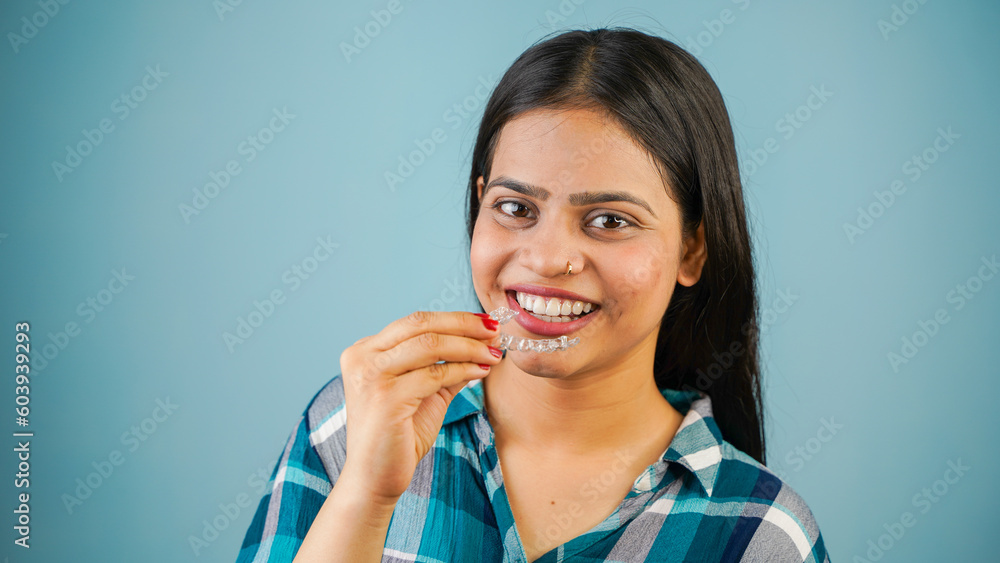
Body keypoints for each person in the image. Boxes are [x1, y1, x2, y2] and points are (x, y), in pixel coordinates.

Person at [237, 27, 829, 562]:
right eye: (516, 209)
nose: (546, 259)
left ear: (692, 250)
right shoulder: (353, 424)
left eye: (610, 220)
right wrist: (364, 495)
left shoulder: (762, 533)